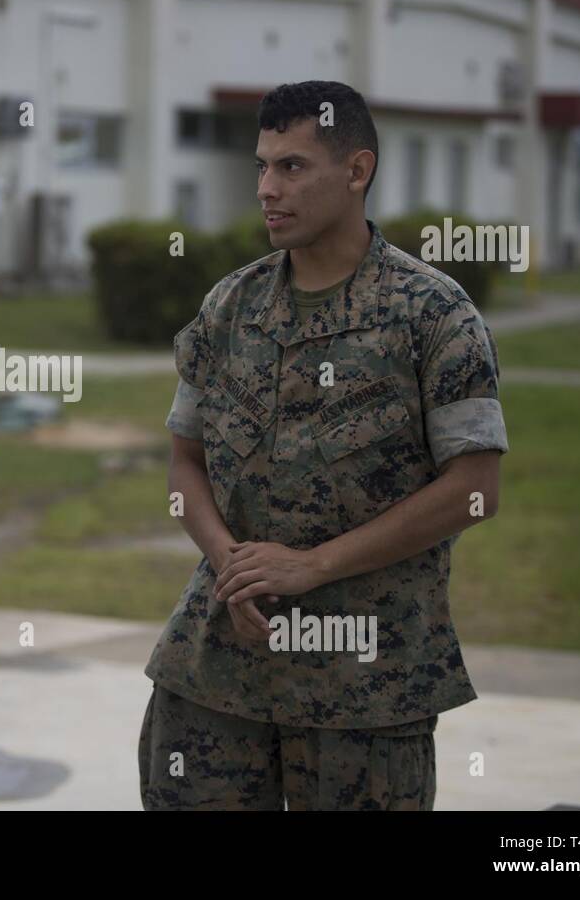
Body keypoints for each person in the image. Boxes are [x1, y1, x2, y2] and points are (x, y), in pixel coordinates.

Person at [140, 80, 509, 810]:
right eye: (262, 166)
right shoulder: (231, 305)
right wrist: (230, 563)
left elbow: (475, 489)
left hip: (365, 688)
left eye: (292, 167)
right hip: (218, 673)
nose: (267, 189)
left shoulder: (433, 314)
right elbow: (185, 461)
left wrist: (310, 567)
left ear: (357, 170)